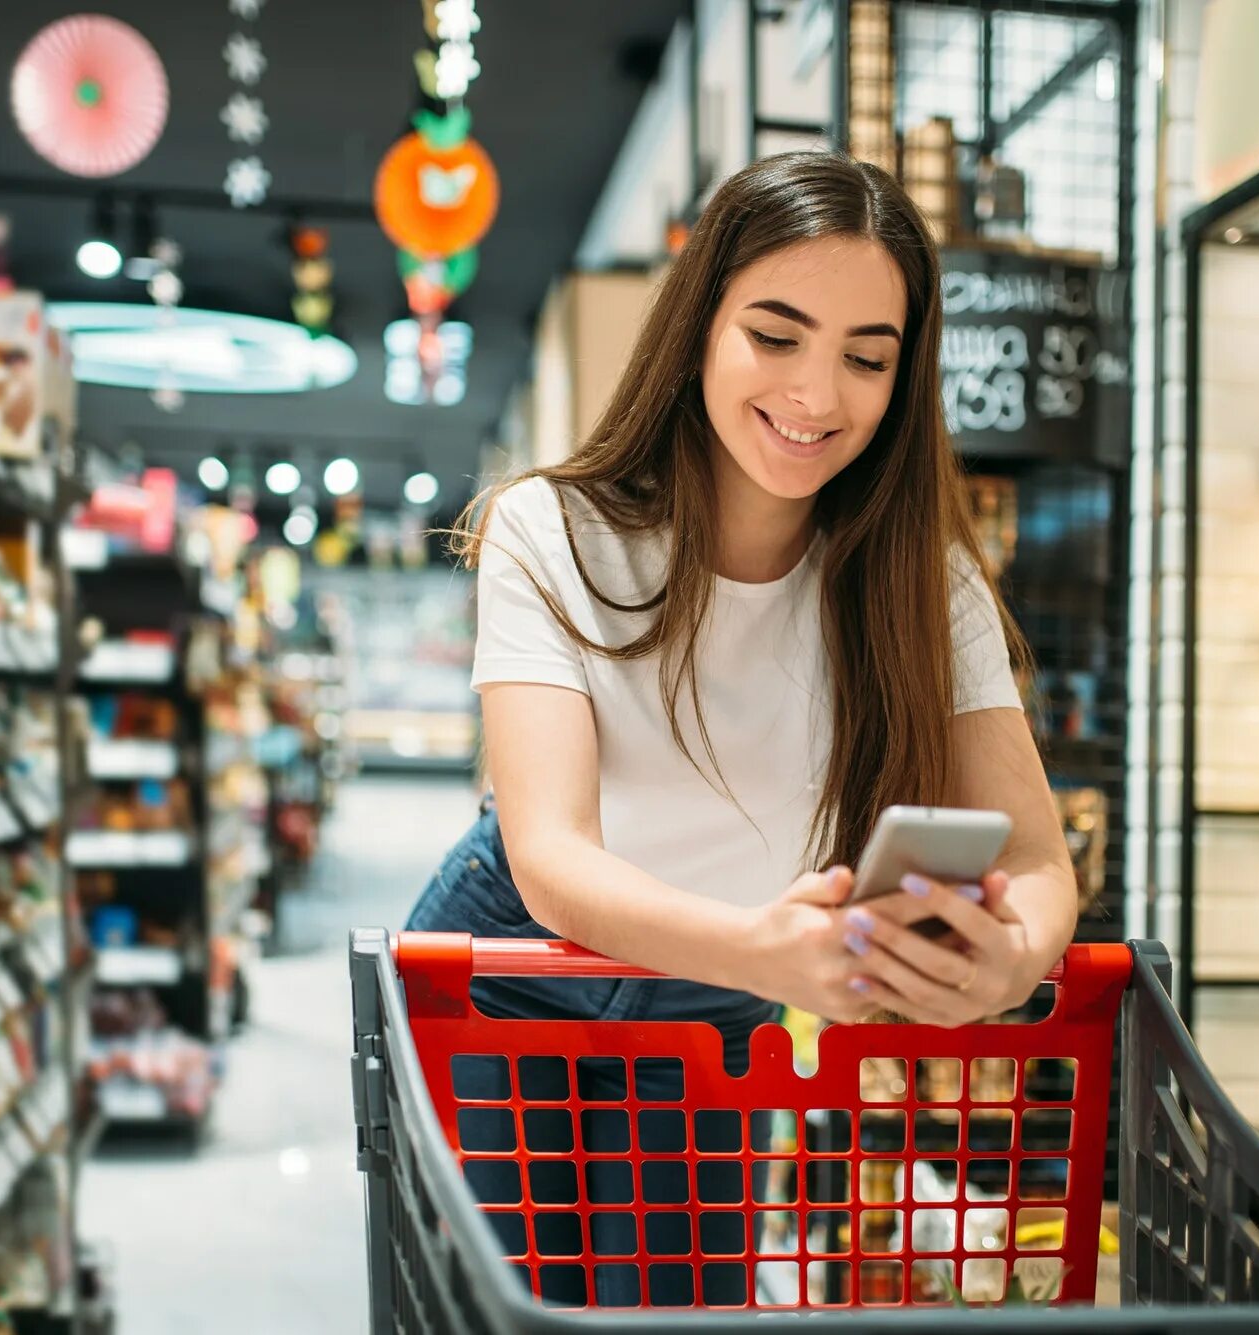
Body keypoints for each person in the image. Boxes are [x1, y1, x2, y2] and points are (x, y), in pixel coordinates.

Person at [404, 151, 1080, 1309]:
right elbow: (552, 859)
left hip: (709, 1001)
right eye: (775, 336)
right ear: (699, 322)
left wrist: (1006, 963)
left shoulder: (924, 586)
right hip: (518, 969)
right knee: (505, 1312)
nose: (817, 395)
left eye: (866, 358)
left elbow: (1031, 859)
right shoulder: (551, 531)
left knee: (678, 1315)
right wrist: (769, 957)